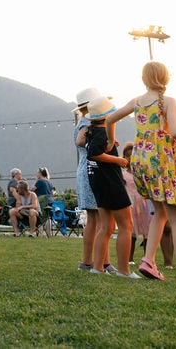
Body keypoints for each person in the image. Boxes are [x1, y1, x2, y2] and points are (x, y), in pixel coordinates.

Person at [105, 61, 176, 286]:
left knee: (159, 213)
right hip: (164, 161)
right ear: (165, 78)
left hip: (142, 161)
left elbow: (110, 119)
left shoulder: (137, 102)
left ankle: (149, 260)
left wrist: (110, 140)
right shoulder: (170, 102)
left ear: (144, 79)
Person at [80, 97, 137, 277]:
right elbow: (94, 154)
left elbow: (98, 148)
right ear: (107, 115)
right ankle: (124, 271)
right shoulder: (100, 133)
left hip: (99, 183)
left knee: (106, 227)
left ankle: (98, 267)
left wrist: (111, 143)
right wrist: (118, 159)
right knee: (126, 226)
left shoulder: (93, 132)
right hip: (111, 183)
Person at [72, 88, 116, 274]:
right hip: (92, 171)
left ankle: (91, 260)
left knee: (95, 219)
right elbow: (80, 142)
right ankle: (100, 261)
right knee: (99, 219)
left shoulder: (84, 122)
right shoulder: (87, 123)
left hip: (86, 169)